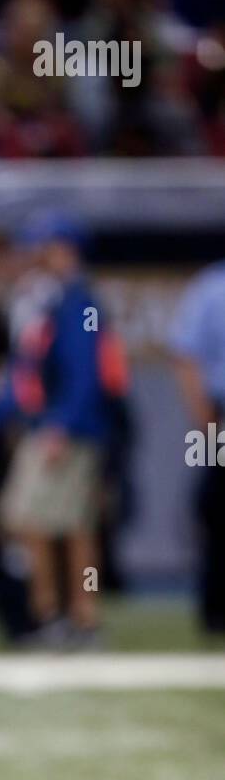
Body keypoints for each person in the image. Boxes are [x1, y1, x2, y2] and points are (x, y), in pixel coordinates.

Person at [0, 213, 129, 647]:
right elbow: (27, 372)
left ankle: (76, 618)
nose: (35, 256)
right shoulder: (48, 300)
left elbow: (85, 374)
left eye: (43, 248)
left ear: (64, 250)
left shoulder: (78, 302)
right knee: (41, 521)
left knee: (65, 524)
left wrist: (61, 425)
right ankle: (58, 616)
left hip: (67, 431)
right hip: (48, 426)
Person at [169, 259, 225, 634]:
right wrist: (206, 421)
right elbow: (186, 355)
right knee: (217, 512)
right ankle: (215, 610)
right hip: (221, 415)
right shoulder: (212, 287)